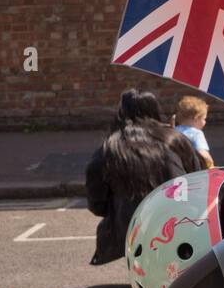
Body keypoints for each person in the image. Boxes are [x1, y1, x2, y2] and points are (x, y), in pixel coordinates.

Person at [85, 89, 204, 266]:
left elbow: (96, 201)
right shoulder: (174, 139)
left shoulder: (111, 146)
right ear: (155, 110)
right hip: (179, 222)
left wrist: (114, 208)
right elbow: (198, 177)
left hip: (130, 227)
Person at [173, 95, 214, 168]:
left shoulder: (173, 131)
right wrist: (211, 164)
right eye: (204, 119)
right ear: (196, 118)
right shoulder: (196, 134)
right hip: (191, 169)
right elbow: (203, 154)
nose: (205, 122)